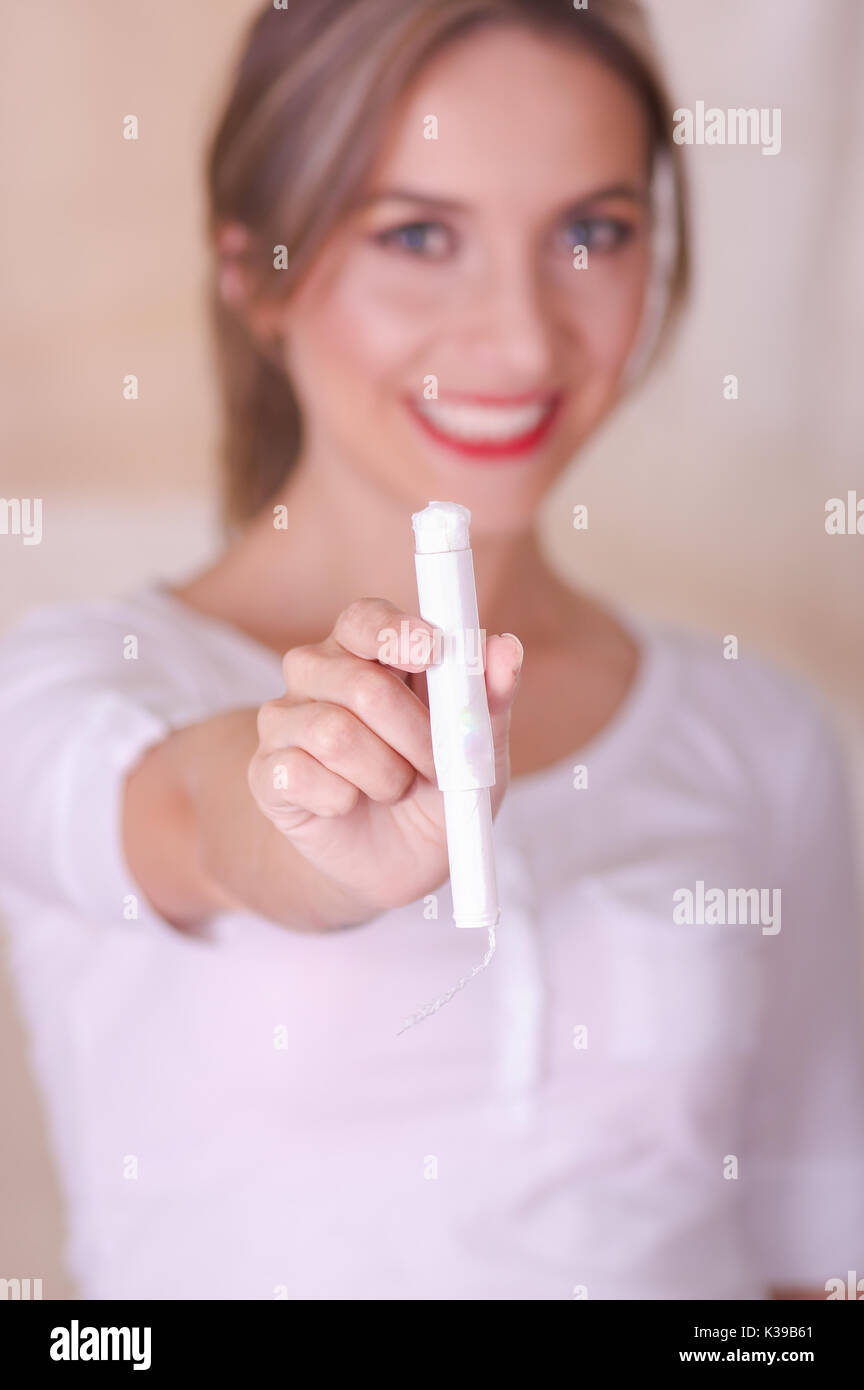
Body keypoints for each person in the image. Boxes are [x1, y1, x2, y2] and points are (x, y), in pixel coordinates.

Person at [1, 0, 862, 1300]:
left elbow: (810, 1254)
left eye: (591, 231)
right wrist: (313, 826)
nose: (521, 338)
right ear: (256, 270)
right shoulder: (66, 688)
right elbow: (189, 806)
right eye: (417, 233)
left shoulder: (764, 733)